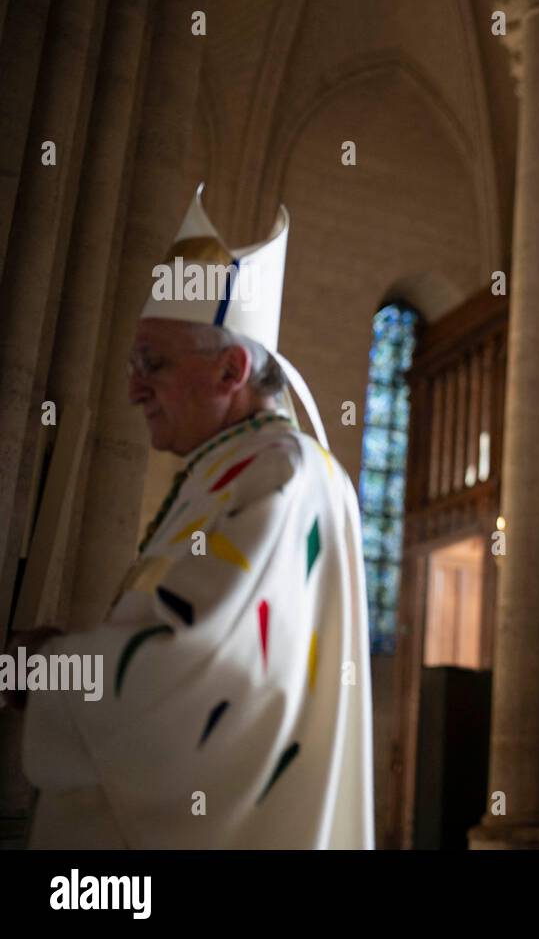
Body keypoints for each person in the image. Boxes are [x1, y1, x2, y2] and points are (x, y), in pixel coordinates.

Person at [5, 184, 374, 848]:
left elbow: (194, 679)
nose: (131, 388)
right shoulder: (233, 466)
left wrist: (48, 668)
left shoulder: (280, 472)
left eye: (153, 363)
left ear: (232, 368)